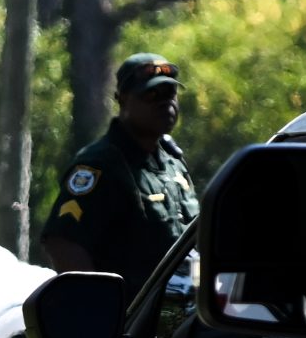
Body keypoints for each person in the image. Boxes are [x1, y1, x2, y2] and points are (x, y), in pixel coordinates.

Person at [40, 52, 200, 303]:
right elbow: (63, 243)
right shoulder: (99, 165)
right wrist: (99, 309)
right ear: (122, 99)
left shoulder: (173, 161)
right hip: (135, 319)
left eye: (170, 94)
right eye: (151, 95)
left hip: (186, 312)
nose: (165, 103)